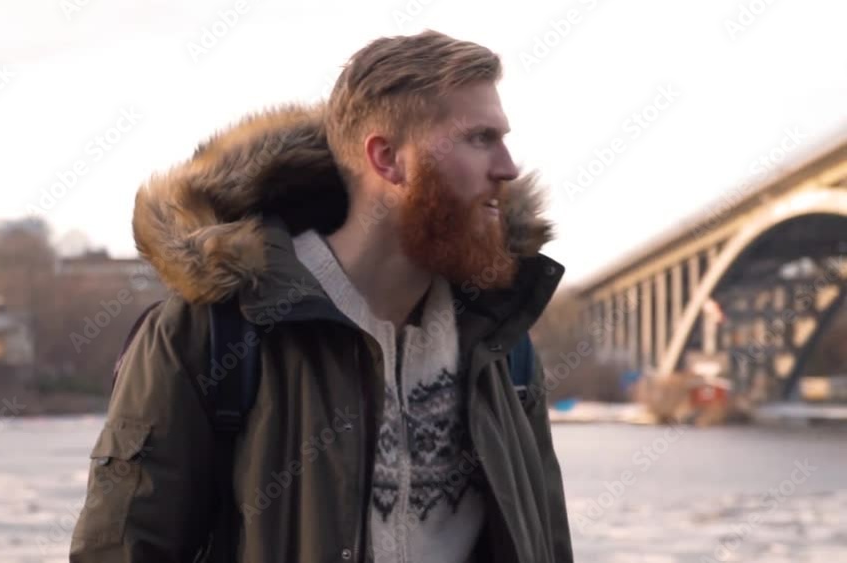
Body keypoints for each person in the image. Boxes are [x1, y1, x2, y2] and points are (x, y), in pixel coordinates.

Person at [70, 29, 573, 563]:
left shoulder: (504, 352)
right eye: (479, 138)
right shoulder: (208, 337)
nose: (509, 167)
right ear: (388, 160)